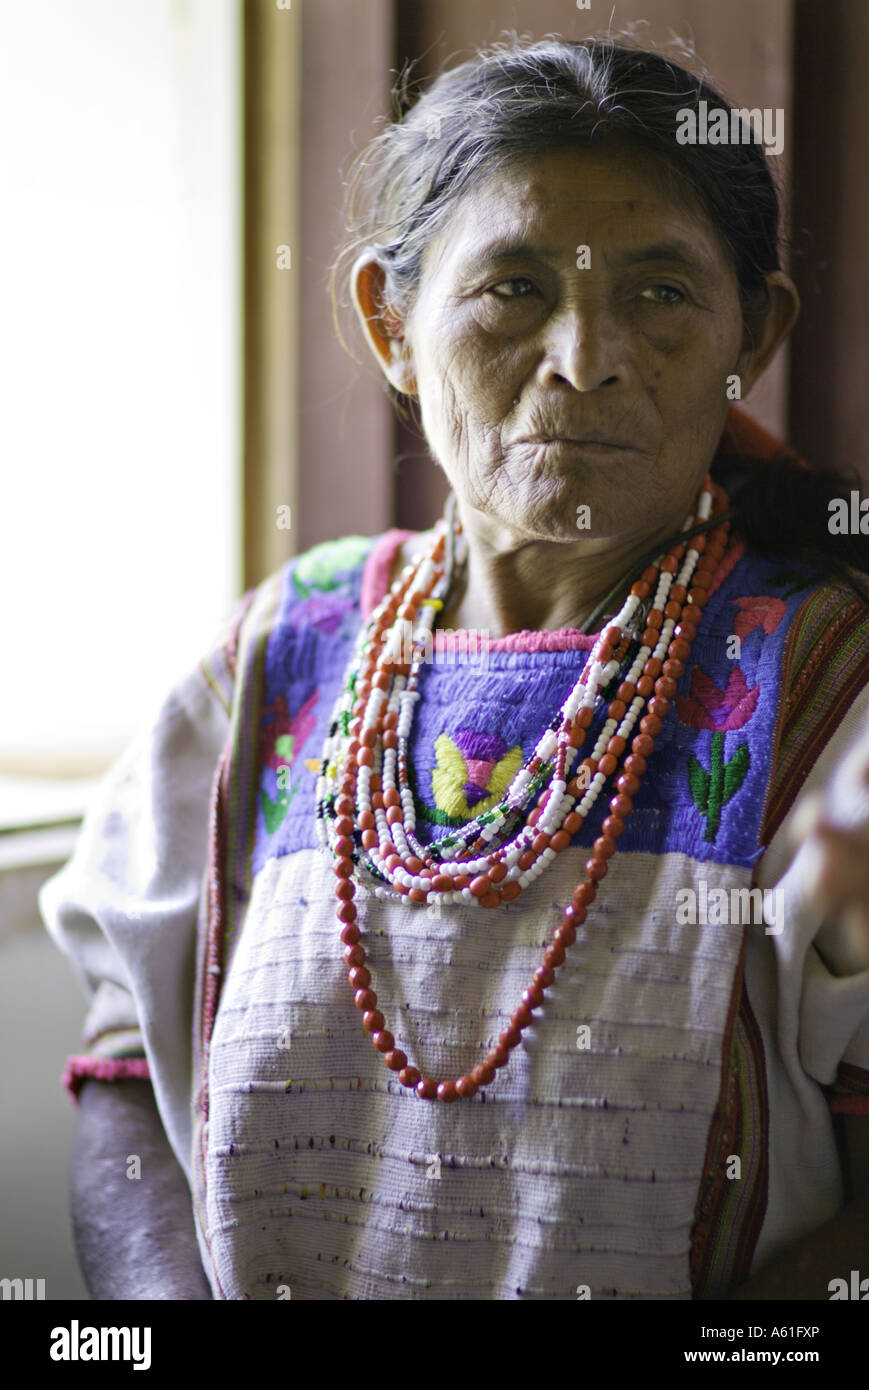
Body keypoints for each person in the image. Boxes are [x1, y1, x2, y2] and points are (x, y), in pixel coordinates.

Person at [41, 35, 869, 1301]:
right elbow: (122, 1078)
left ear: (749, 333)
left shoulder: (830, 690)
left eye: (658, 292)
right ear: (390, 321)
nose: (584, 355)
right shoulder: (275, 657)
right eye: (514, 287)